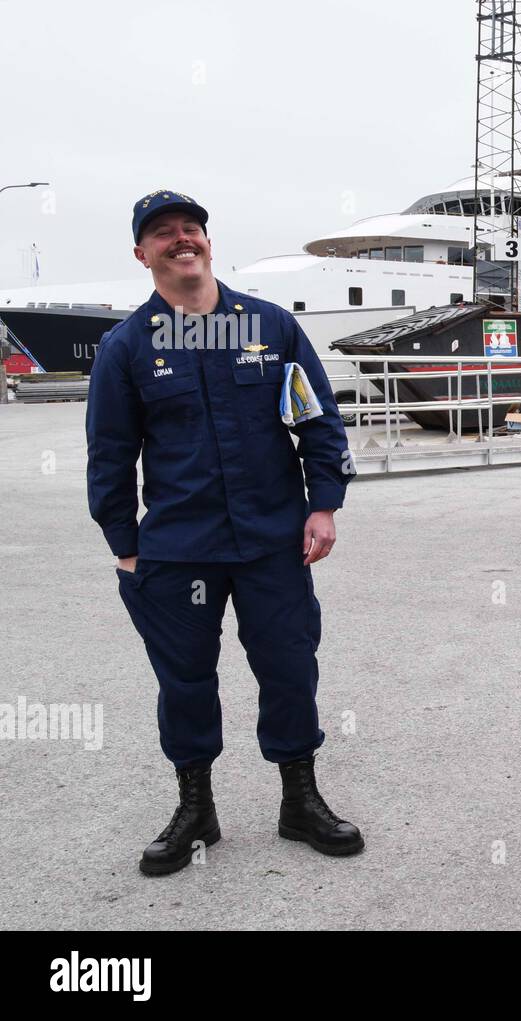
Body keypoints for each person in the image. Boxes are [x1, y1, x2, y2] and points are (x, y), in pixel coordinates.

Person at [87, 190, 362, 876]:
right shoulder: (127, 348)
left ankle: (300, 799)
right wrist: (125, 543)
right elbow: (110, 454)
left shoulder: (269, 327)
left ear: (207, 242)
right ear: (141, 254)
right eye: (162, 234)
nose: (181, 240)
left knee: (290, 669)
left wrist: (323, 502)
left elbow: (318, 421)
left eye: (191, 229)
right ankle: (195, 807)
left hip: (272, 540)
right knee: (183, 681)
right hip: (177, 550)